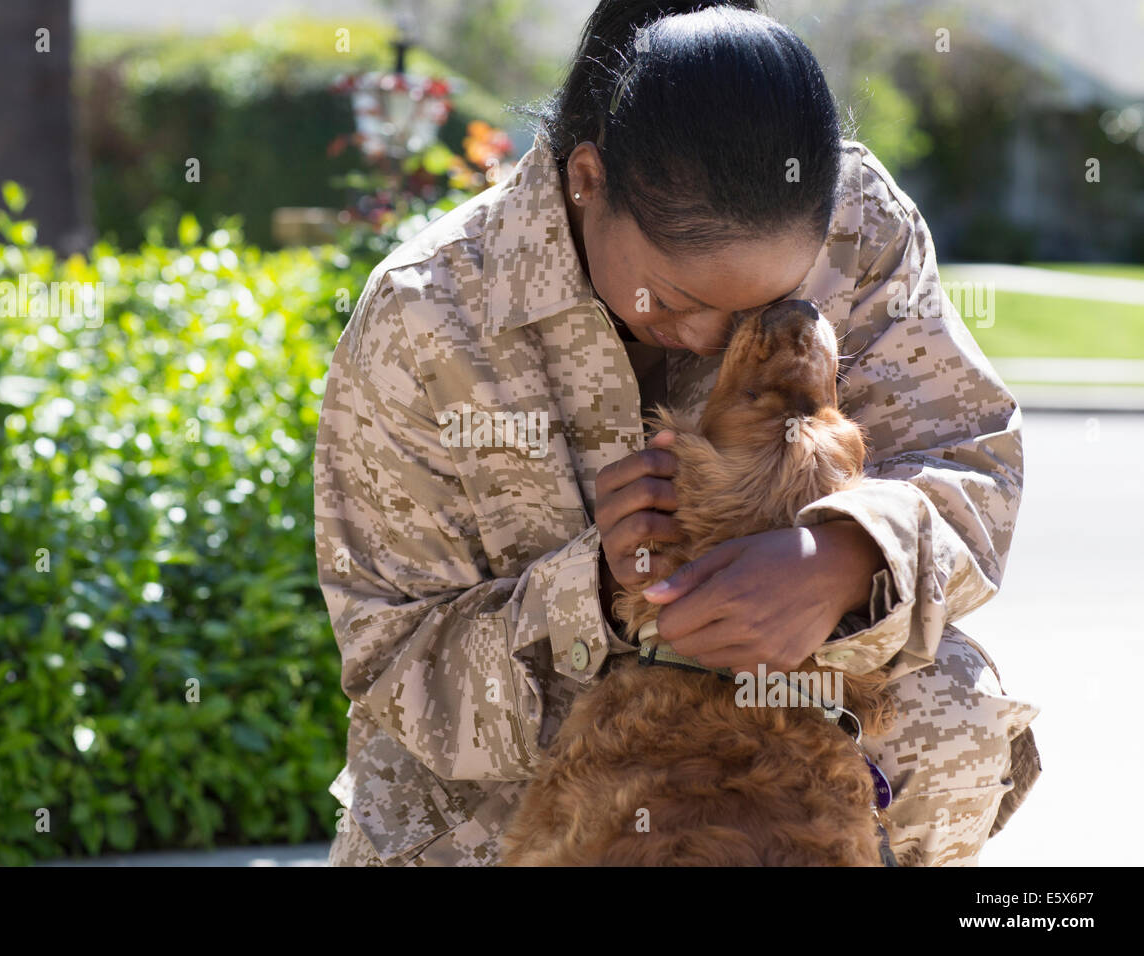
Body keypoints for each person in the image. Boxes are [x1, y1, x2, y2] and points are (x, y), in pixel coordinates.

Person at [313, 0, 1040, 866]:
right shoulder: (424, 318)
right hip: (508, 784)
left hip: (791, 730)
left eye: (763, 307)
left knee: (949, 721)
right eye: (680, 300)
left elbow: (971, 458)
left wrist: (847, 559)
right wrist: (596, 594)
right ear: (587, 178)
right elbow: (395, 667)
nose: (709, 338)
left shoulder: (858, 223)